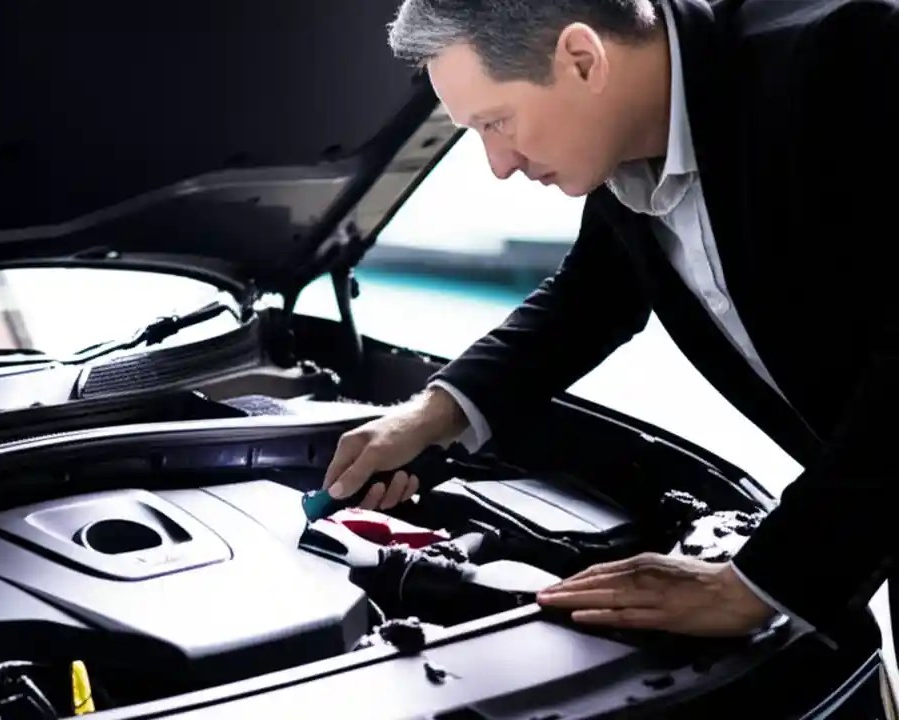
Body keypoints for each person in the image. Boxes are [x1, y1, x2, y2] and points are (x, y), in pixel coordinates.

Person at [323, 0, 899, 645]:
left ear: (582, 59)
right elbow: (595, 291)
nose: (499, 164)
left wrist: (756, 584)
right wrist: (434, 414)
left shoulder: (859, 54)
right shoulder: (630, 133)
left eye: (497, 122)